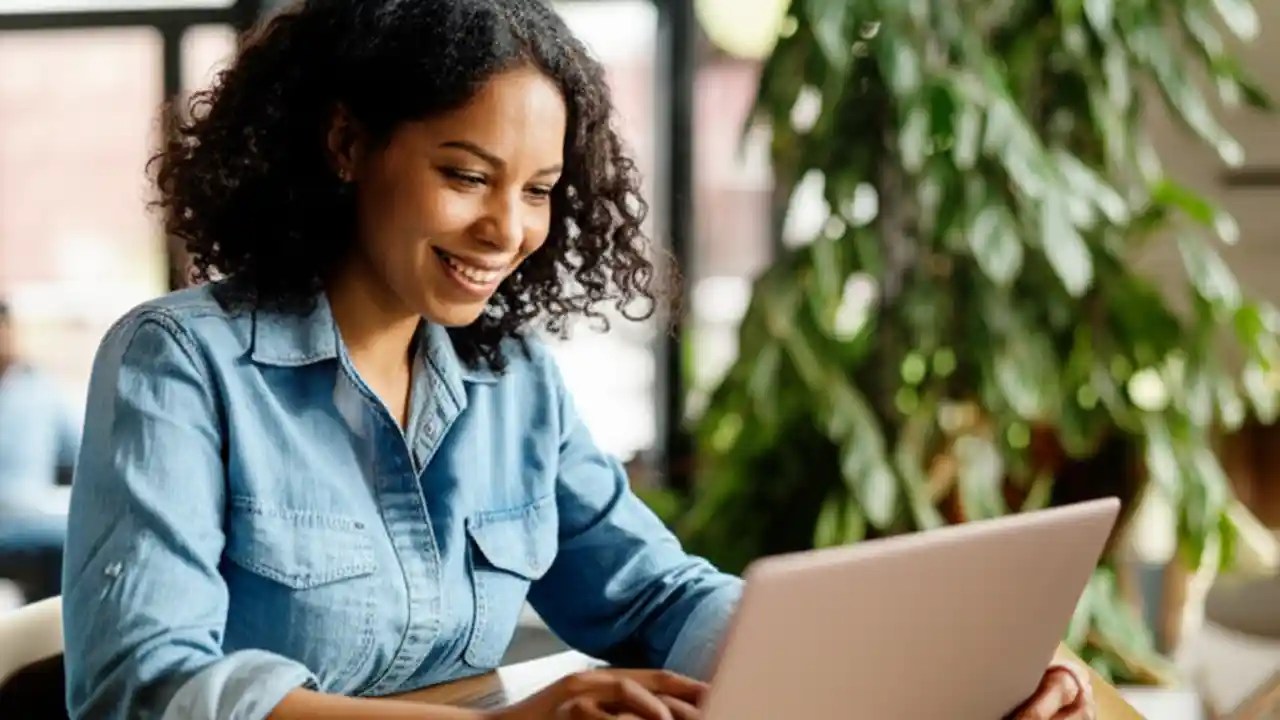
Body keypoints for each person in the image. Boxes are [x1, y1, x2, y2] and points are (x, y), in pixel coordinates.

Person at [60, 2, 1097, 719]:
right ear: (345, 147)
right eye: (466, 175)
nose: (507, 229)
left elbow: (652, 599)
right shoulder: (180, 366)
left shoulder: (511, 382)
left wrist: (931, 669)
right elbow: (142, 687)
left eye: (540, 189)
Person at [0, 300, 79, 602]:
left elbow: (82, 454)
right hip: (8, 522)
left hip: (34, 518)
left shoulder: (39, 389)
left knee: (80, 538)